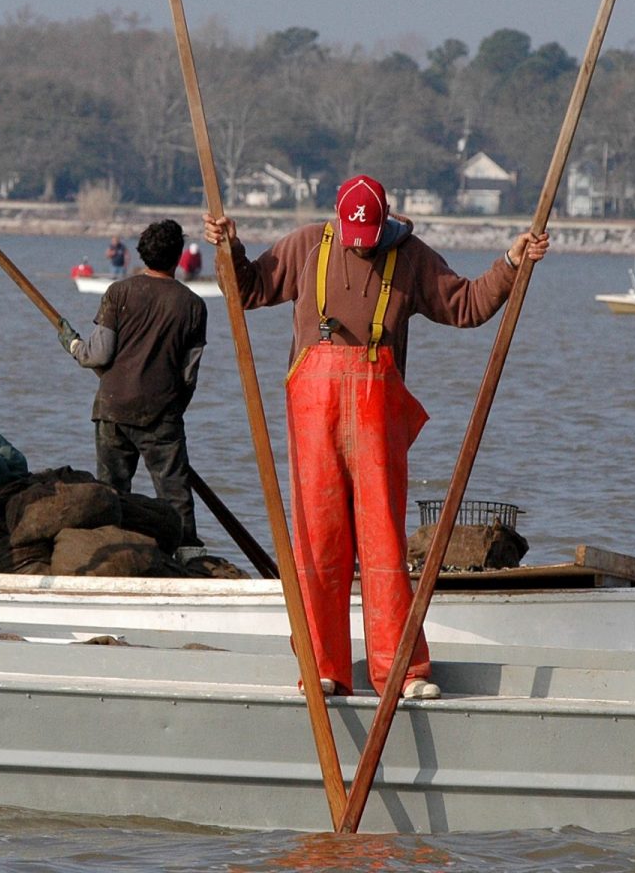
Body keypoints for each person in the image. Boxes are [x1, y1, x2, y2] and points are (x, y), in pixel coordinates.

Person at [203, 174, 548, 702]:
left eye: (368, 237)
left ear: (384, 222)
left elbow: (467, 306)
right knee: (317, 546)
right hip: (314, 416)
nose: (360, 245)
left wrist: (510, 262)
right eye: (352, 236)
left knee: (385, 544)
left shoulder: (410, 256)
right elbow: (245, 289)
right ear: (339, 221)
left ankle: (405, 673)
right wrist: (229, 247)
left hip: (374, 417)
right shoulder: (305, 246)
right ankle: (323, 668)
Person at [62, 219, 208, 547]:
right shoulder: (193, 306)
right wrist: (172, 413)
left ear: (143, 255)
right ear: (178, 257)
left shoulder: (119, 293)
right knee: (176, 498)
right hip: (161, 416)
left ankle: (109, 549)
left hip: (112, 408)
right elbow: (189, 374)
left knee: (111, 494)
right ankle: (186, 556)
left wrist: (72, 344)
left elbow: (97, 355)